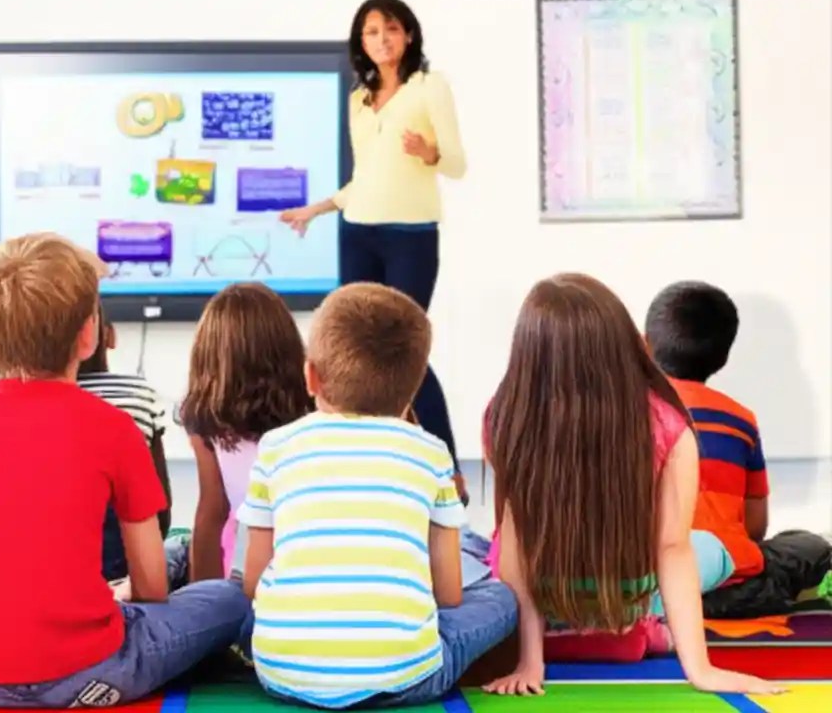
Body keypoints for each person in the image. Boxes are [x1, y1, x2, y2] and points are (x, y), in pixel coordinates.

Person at [0, 233, 250, 709]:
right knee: (228, 599)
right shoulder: (113, 428)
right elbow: (152, 589)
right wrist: (117, 596)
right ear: (89, 335)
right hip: (79, 674)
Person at [481, 273, 783, 698]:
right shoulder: (667, 421)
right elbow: (673, 549)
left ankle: (579, 631)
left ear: (528, 355)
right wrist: (700, 670)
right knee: (714, 547)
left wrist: (530, 659)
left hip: (541, 593)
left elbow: (513, 543)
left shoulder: (504, 415)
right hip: (625, 593)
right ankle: (630, 628)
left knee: (478, 550)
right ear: (628, 344)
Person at [238, 282, 515, 709]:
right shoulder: (430, 451)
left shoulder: (276, 446)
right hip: (404, 678)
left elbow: (254, 582)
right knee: (500, 598)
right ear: (414, 386)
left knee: (235, 599)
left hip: (281, 673)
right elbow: (450, 595)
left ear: (310, 375)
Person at [279, 0, 468, 502]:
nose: (381, 39)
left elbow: (456, 163)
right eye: (370, 32)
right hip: (357, 231)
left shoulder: (430, 87)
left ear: (408, 34)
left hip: (410, 235)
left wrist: (429, 152)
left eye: (390, 29)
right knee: (354, 350)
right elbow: (362, 180)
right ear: (360, 42)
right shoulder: (359, 100)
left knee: (405, 349)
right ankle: (363, 464)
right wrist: (315, 210)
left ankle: (446, 466)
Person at [645, 281, 831, 619]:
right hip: (735, 587)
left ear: (646, 346)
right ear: (723, 357)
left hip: (653, 585)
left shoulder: (629, 413)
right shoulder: (739, 420)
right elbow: (756, 526)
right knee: (809, 545)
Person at [178, 282, 311, 583]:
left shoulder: (204, 418)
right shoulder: (314, 409)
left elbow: (211, 513)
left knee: (176, 549)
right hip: (304, 566)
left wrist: (203, 611)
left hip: (258, 578)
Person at [76, 307, 172, 581]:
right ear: (110, 336)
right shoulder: (137, 394)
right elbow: (161, 514)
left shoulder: (22, 410)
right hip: (121, 580)